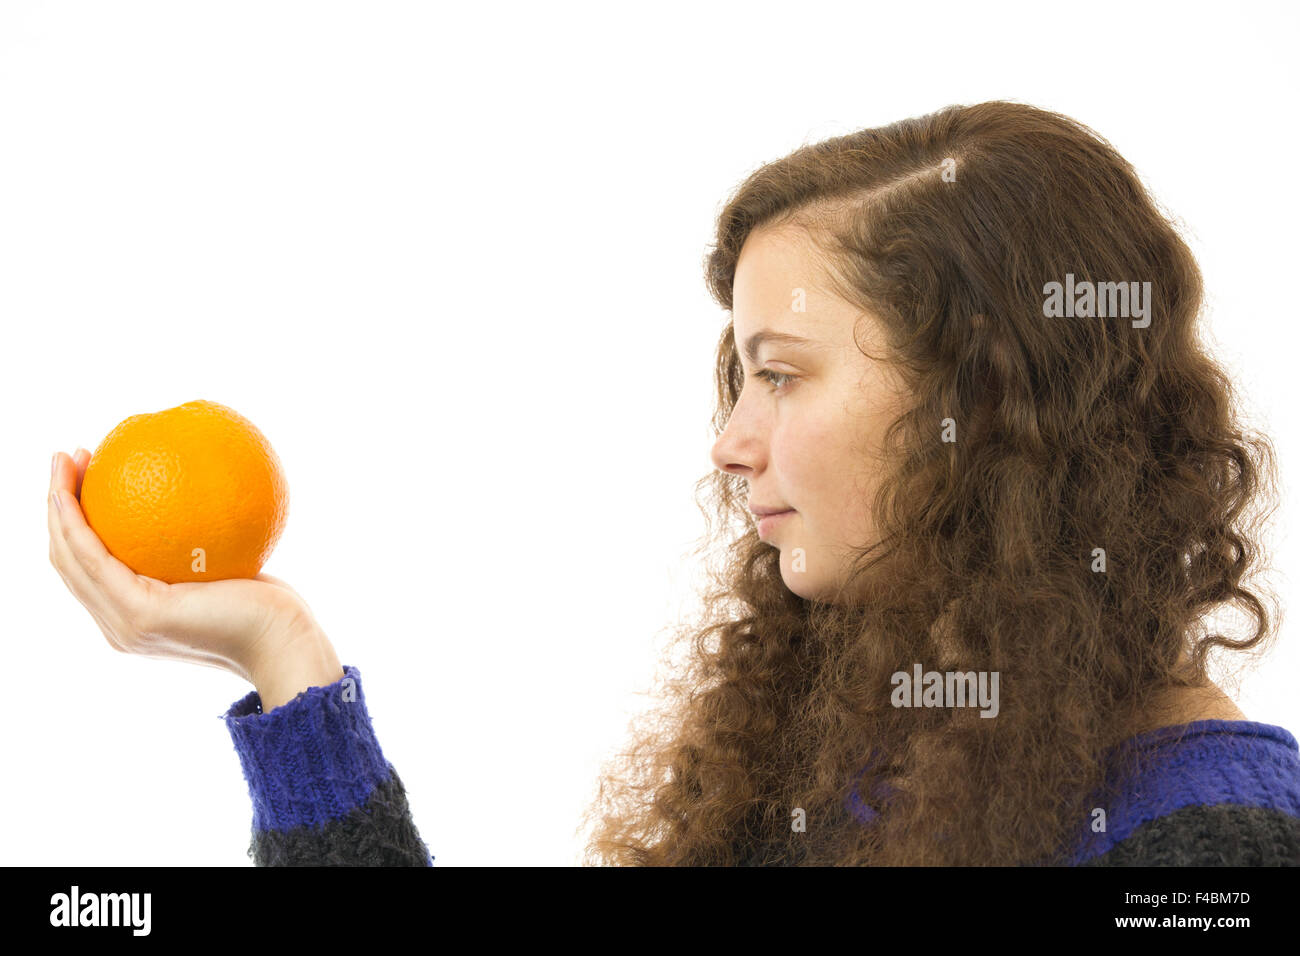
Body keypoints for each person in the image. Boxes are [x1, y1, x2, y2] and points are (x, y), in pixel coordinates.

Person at [49, 101, 1300, 866]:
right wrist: (287, 664)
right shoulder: (912, 758)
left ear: (980, 410)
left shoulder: (1207, 852)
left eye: (782, 375)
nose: (729, 441)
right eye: (735, 378)